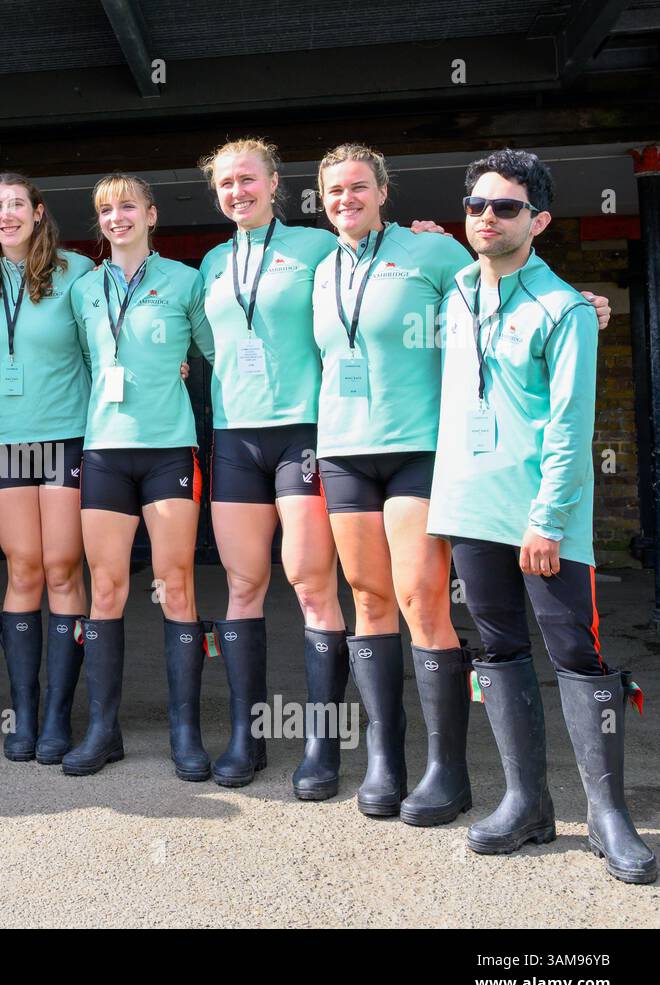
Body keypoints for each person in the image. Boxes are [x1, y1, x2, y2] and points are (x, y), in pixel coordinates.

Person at [312, 144, 610, 824]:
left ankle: (447, 770)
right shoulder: (315, 266)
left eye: (359, 187)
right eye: (334, 191)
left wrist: (583, 308)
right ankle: (386, 760)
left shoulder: (436, 254)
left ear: (385, 192)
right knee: (366, 594)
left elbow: (514, 284)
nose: (346, 199)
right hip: (343, 450)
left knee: (422, 597)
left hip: (423, 449)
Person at [429, 149, 655, 884]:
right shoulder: (455, 289)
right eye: (476, 206)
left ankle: (608, 815)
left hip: (542, 517)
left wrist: (549, 519)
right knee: (495, 651)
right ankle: (526, 802)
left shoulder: (565, 309)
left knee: (578, 658)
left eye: (506, 207)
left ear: (540, 220)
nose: (487, 217)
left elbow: (570, 426)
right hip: (469, 507)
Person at [197, 139, 349, 795]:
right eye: (226, 184)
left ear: (274, 182)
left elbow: (375, 277)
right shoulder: (210, 261)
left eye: (247, 179)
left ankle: (322, 745)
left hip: (303, 432)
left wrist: (423, 235)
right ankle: (246, 736)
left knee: (314, 585)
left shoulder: (316, 248)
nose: (238, 191)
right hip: (234, 434)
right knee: (242, 585)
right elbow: (207, 339)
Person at [64, 173, 216, 779]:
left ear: (152, 215)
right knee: (105, 591)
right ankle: (104, 730)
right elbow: (82, 359)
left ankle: (185, 732)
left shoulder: (185, 280)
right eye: (106, 209)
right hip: (103, 451)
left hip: (169, 451)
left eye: (129, 206)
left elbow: (210, 349)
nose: (117, 217)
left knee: (175, 586)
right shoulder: (83, 289)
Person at [0, 173, 93, 763]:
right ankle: (26, 714)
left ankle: (61, 718)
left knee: (63, 568)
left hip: (67, 436)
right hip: (8, 443)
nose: (7, 215)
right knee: (23, 568)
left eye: (18, 205)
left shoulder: (76, 272)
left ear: (38, 213)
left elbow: (106, 343)